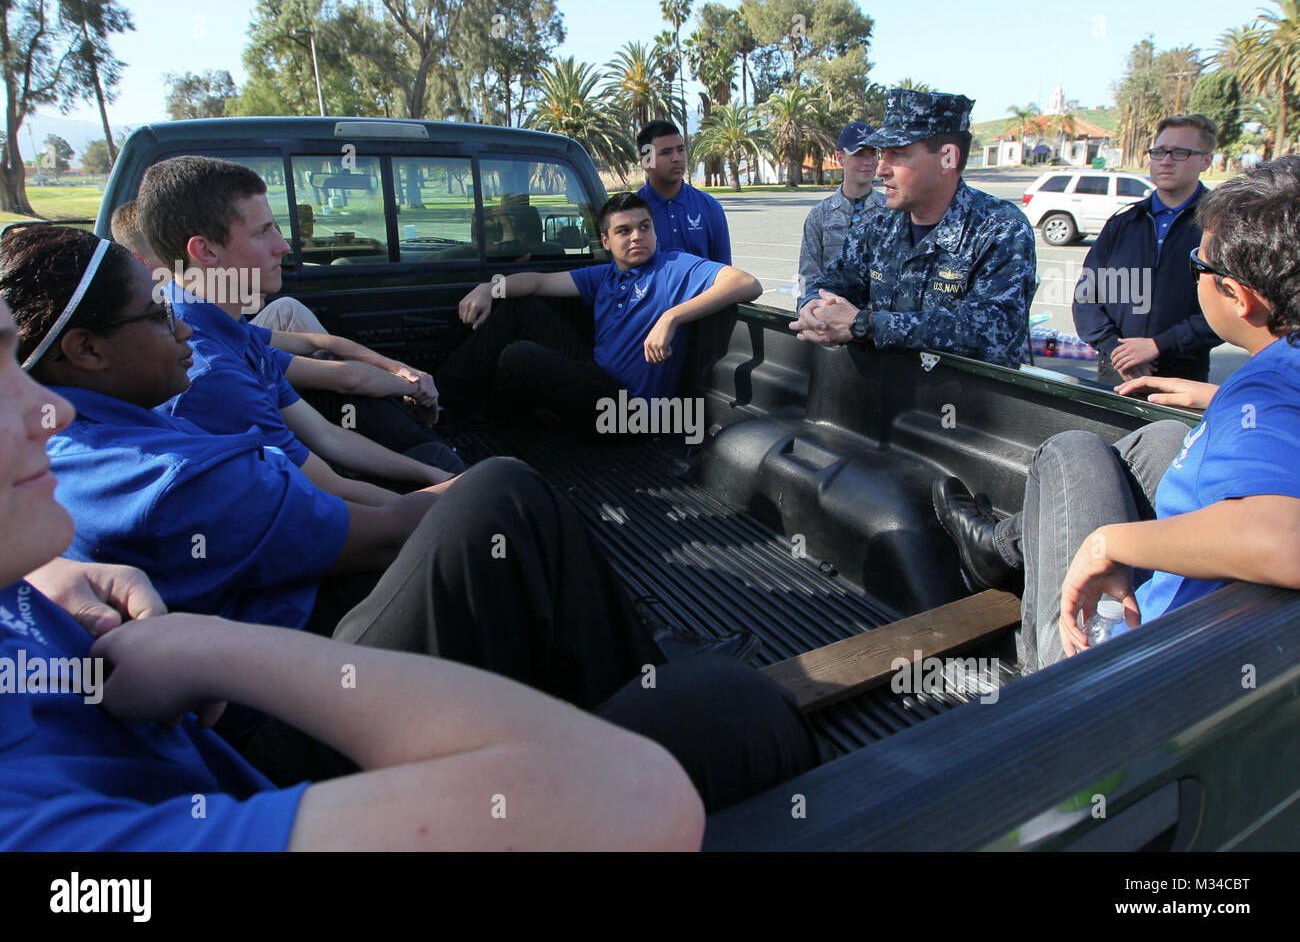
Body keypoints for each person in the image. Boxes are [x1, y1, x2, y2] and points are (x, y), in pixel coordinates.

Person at [4, 224, 818, 808]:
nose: (178, 322)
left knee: (501, 492)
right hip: (266, 738)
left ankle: (628, 672)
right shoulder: (171, 472)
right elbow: (366, 511)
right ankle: (628, 681)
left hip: (247, 661)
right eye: (155, 313)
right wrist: (475, 487)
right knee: (508, 497)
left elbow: (327, 403)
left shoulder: (73, 495)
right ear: (86, 352)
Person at [932, 156, 1300, 673]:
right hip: (1227, 639)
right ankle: (998, 548)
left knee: (1072, 449)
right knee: (1164, 435)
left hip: (1124, 674)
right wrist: (1219, 401)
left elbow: (1286, 540)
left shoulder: (1269, 383)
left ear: (1237, 296)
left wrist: (1110, 544)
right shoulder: (1282, 372)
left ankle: (1011, 584)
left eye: (1200, 264)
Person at [133, 156, 459, 501]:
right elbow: (329, 489)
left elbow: (324, 435)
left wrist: (434, 476)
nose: (284, 246)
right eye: (263, 231)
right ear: (205, 250)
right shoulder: (210, 370)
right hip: (274, 519)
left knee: (437, 465)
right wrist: (449, 500)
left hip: (286, 490)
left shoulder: (217, 324)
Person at [437, 192, 763, 430]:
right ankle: (438, 398)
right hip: (596, 378)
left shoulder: (673, 266)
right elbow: (537, 282)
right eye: (624, 231)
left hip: (627, 413)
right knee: (518, 307)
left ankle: (486, 425)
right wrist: (487, 289)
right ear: (606, 241)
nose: (637, 236)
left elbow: (746, 282)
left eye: (645, 227)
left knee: (520, 357)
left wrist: (670, 317)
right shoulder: (604, 275)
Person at [790, 88, 1036, 369]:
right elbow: (831, 283)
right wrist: (812, 308)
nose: (881, 169)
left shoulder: (999, 229)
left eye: (897, 154)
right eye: (883, 154)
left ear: (947, 158)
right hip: (889, 398)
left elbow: (992, 331)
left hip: (963, 406)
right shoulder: (879, 227)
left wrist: (865, 324)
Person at [1072, 114, 1223, 384]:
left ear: (1206, 160)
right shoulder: (1123, 223)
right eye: (1160, 151)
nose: (1166, 160)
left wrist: (1158, 344)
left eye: (1180, 152)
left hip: (1182, 379)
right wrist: (1115, 348)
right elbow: (1087, 296)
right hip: (1116, 370)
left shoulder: (1220, 227)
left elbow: (1231, 308)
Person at [798, 121, 887, 294]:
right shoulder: (820, 215)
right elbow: (807, 279)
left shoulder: (892, 211)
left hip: (875, 317)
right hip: (829, 314)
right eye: (859, 154)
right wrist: (810, 309)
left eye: (873, 153)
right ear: (840, 158)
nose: (868, 161)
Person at [636, 120, 731, 265]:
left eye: (680, 150)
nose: (677, 158)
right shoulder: (629, 212)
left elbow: (725, 272)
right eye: (666, 152)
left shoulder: (710, 207)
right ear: (646, 161)